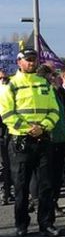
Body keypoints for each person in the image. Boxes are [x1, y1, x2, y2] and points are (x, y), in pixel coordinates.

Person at [0, 49, 61, 237]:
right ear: (19, 62)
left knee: (46, 185)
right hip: (21, 141)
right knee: (21, 185)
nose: (32, 63)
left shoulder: (44, 83)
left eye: (34, 60)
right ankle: (21, 223)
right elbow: (7, 114)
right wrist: (28, 129)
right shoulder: (11, 85)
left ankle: (46, 223)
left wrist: (43, 127)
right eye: (28, 60)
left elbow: (54, 110)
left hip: (43, 139)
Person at [38, 65, 65, 222]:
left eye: (54, 76)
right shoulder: (42, 94)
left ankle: (53, 204)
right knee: (48, 180)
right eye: (50, 76)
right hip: (49, 140)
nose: (54, 78)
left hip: (61, 138)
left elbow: (63, 113)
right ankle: (47, 214)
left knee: (57, 178)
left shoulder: (57, 93)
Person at [0, 70, 11, 205]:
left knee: (7, 165)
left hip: (7, 134)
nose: (3, 81)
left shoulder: (8, 95)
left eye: (5, 79)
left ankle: (6, 192)